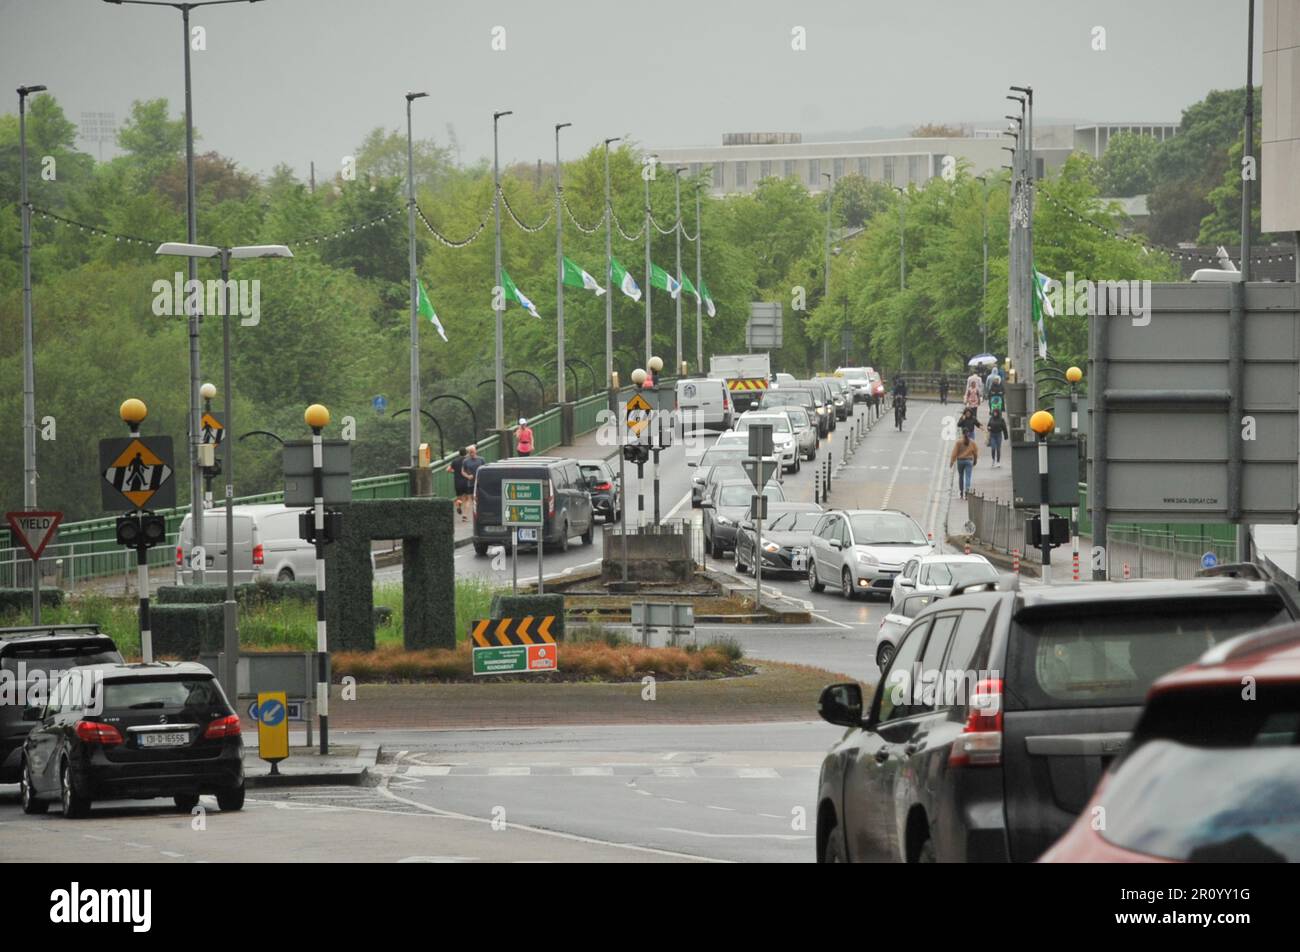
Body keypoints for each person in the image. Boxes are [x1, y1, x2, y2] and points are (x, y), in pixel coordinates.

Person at [950, 428, 980, 500]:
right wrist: (975, 460)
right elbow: (975, 453)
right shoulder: (972, 442)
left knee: (961, 476)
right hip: (969, 461)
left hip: (960, 461)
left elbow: (954, 453)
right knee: (968, 477)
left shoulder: (958, 442)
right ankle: (967, 492)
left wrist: (952, 462)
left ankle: (961, 492)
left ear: (962, 434)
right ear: (968, 433)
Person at [447, 448, 471, 520]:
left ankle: (458, 507)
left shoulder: (455, 461)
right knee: (467, 499)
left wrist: (455, 472)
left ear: (459, 453)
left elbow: (448, 470)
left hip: (457, 482)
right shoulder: (468, 461)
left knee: (459, 498)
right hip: (467, 482)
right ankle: (465, 515)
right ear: (466, 453)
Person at [462, 444, 483, 513]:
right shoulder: (466, 461)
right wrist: (468, 476)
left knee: (478, 498)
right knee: (470, 499)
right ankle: (465, 515)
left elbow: (484, 469)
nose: (471, 454)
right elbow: (463, 472)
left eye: (473, 452)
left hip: (479, 482)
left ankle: (477, 512)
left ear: (475, 451)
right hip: (471, 483)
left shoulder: (481, 459)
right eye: (470, 452)